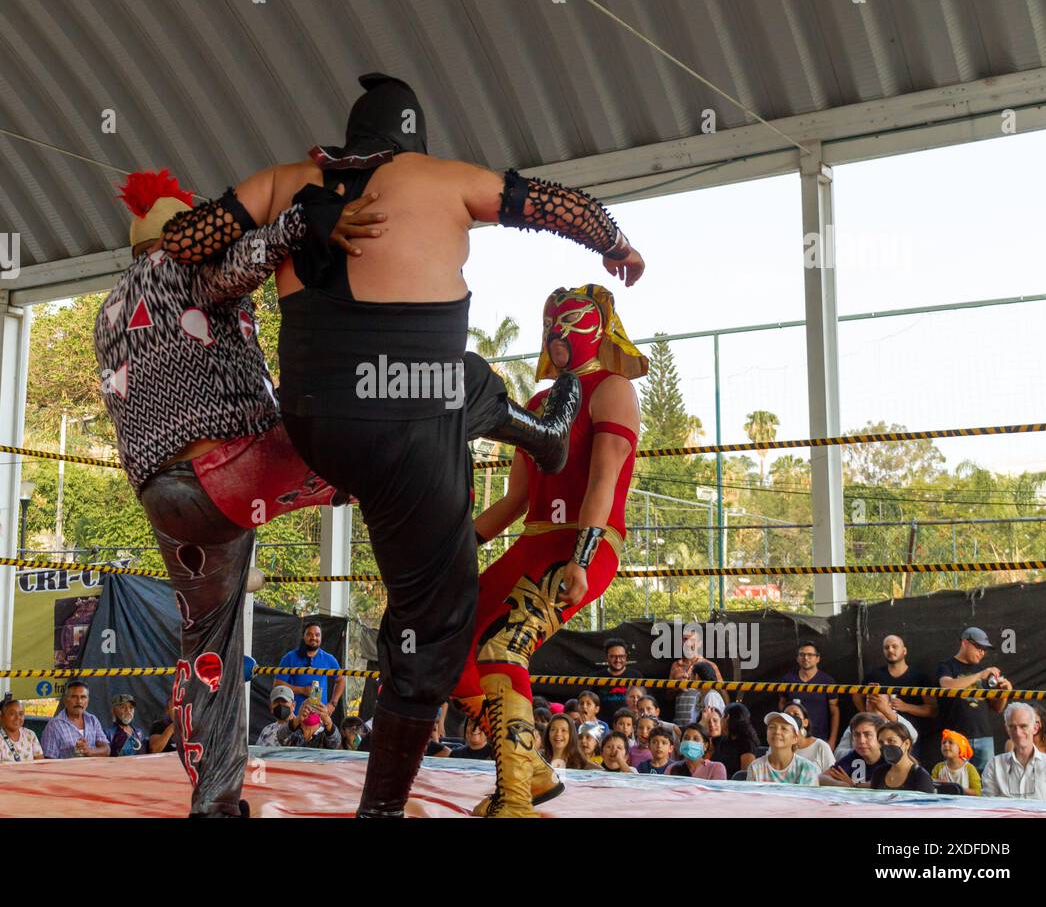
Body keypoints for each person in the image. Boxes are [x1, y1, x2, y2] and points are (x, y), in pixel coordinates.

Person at [187, 73, 644, 818]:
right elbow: (565, 206)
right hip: (409, 423)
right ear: (411, 142)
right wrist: (617, 245)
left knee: (457, 382)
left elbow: (189, 244)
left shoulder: (282, 181)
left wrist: (293, 228)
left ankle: (537, 436)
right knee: (436, 625)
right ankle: (382, 811)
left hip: (313, 423)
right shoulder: (444, 178)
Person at [105, 167, 581, 818]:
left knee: (208, 646)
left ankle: (214, 803)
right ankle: (535, 440)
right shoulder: (184, 268)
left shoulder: (110, 313)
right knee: (426, 392)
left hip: (172, 503)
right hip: (234, 468)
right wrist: (309, 220)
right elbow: (247, 257)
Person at [453, 285, 646, 817]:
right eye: (550, 323)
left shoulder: (614, 388)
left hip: (587, 542)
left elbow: (602, 484)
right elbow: (516, 499)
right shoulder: (539, 404)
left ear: (596, 327)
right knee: (444, 641)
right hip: (533, 543)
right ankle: (532, 773)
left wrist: (582, 558)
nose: (556, 333)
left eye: (569, 321)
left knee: (503, 647)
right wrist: (451, 547)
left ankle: (514, 800)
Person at [936, 627, 1012, 773]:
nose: (982, 652)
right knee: (956, 781)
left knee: (987, 782)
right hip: (955, 737)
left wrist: (1004, 693)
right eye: (978, 647)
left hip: (984, 736)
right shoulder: (947, 666)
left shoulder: (983, 670)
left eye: (984, 649)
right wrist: (979, 675)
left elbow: (997, 708)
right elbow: (947, 685)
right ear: (965, 643)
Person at [856, 634, 937, 763]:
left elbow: (932, 710)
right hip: (880, 738)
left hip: (909, 737)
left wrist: (906, 707)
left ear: (904, 650)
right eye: (886, 647)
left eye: (894, 646)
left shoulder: (919, 677)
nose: (891, 650)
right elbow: (855, 694)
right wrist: (868, 713)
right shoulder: (874, 675)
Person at [981, 703, 1046, 800]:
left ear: (1035, 728)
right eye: (1012, 727)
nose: (1018, 733)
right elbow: (988, 806)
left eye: (1023, 726)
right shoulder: (994, 765)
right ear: (1007, 729)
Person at [777, 642, 839, 750]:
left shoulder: (827, 681)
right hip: (791, 738)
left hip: (819, 739)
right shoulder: (787, 680)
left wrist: (832, 740)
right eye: (802, 654)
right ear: (797, 658)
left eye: (810, 655)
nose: (806, 658)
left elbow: (834, 711)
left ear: (817, 658)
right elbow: (782, 702)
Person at [275, 622, 344, 713]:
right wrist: (302, 690)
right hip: (295, 715)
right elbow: (278, 684)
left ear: (321, 638)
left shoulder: (328, 659)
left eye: (317, 635)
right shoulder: (290, 657)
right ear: (303, 636)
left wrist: (333, 704)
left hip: (320, 716)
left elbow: (341, 680)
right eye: (309, 634)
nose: (314, 638)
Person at [40, 681, 111, 760]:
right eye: (74, 697)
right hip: (66, 771)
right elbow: (48, 760)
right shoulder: (54, 725)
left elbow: (106, 750)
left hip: (93, 770)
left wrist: (89, 751)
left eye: (83, 697)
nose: (79, 701)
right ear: (65, 700)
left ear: (87, 701)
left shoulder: (92, 720)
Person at [746, 712, 820, 785]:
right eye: (772, 727)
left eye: (784, 728)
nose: (777, 732)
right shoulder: (755, 767)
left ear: (795, 738)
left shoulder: (807, 769)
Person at [669, 627, 723, 726]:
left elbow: (722, 693)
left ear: (699, 643)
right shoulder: (675, 666)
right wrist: (677, 687)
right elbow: (667, 697)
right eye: (685, 639)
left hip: (702, 727)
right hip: (679, 724)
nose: (688, 643)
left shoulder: (710, 666)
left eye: (692, 640)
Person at [822, 713, 886, 787]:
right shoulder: (854, 756)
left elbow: (894, 782)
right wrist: (842, 784)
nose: (861, 740)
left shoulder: (890, 758)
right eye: (857, 735)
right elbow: (821, 778)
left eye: (868, 735)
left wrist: (856, 786)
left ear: (880, 737)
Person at [871, 721, 935, 793]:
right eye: (881, 742)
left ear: (907, 744)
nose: (885, 746)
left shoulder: (920, 776)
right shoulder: (879, 773)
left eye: (891, 741)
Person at [0, 698, 45, 764]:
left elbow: (40, 765)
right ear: (1, 716)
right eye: (12, 714)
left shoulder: (30, 735)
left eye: (21, 714)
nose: (17, 717)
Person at [784, 698, 836, 773]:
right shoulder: (778, 746)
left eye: (796, 714)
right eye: (787, 715)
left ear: (805, 722)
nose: (791, 718)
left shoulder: (820, 746)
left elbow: (832, 777)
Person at [710, 702, 758, 776]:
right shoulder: (720, 740)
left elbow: (744, 776)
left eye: (722, 717)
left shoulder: (747, 744)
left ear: (727, 718)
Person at [931, 729, 981, 796]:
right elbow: (930, 786)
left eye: (951, 742)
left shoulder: (969, 769)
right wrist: (938, 783)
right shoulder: (938, 767)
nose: (946, 745)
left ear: (960, 748)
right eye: (943, 742)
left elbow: (977, 792)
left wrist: (955, 789)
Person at [595, 638, 633, 717]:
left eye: (621, 656)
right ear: (606, 657)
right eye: (613, 656)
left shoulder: (636, 676)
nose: (618, 660)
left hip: (630, 726)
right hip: (604, 726)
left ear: (626, 657)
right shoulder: (597, 677)